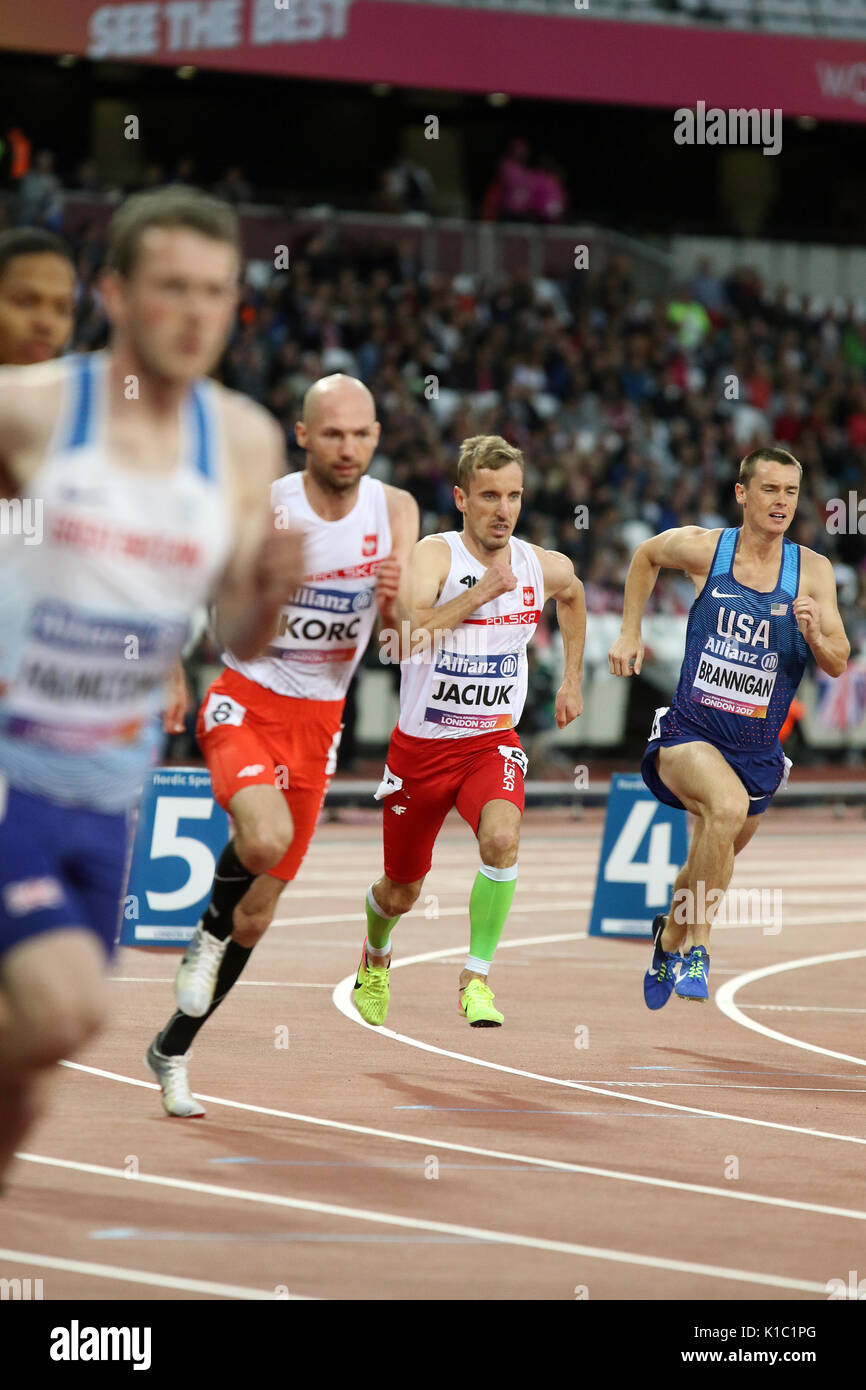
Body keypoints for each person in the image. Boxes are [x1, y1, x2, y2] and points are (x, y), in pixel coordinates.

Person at [0, 187, 306, 1183]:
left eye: (215, 292)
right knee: (63, 1006)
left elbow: (232, 631)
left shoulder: (245, 442)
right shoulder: (37, 408)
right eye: (171, 287)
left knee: (34, 1067)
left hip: (104, 796)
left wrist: (265, 599)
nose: (194, 313)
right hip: (12, 769)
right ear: (116, 292)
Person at [146, 374, 419, 1116]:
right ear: (303, 435)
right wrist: (171, 666)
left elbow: (397, 643)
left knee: (258, 916)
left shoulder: (396, 510)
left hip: (320, 723)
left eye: (362, 433)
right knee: (261, 840)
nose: (349, 448)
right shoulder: (265, 504)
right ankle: (204, 933)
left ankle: (173, 1047)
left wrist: (396, 600)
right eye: (333, 433)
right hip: (245, 699)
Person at [355, 434, 585, 1029]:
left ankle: (475, 978)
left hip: (491, 741)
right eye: (488, 496)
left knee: (502, 840)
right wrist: (481, 593)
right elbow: (404, 636)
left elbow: (574, 595)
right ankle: (375, 955)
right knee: (400, 891)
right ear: (461, 498)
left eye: (512, 496)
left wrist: (572, 680)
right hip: (421, 753)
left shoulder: (540, 564)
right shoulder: (435, 557)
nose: (502, 509)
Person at [608, 447, 850, 1007]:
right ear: (743, 494)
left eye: (791, 492)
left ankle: (668, 933)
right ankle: (699, 947)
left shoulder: (811, 570)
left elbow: (837, 660)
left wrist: (814, 633)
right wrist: (628, 633)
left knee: (710, 856)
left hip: (758, 748)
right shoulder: (707, 549)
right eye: (770, 490)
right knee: (726, 809)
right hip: (691, 730)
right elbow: (645, 554)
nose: (781, 502)